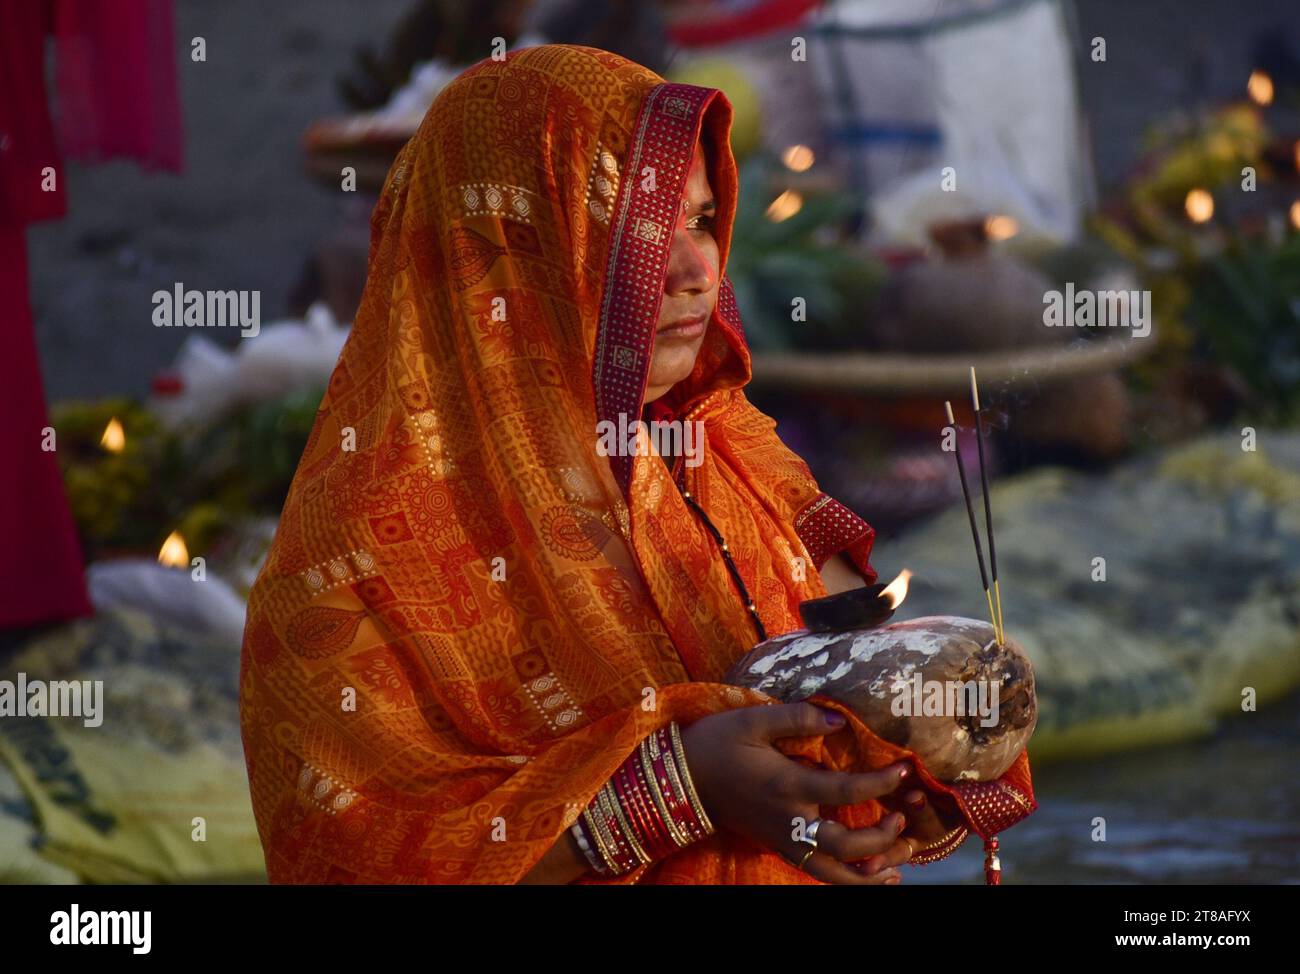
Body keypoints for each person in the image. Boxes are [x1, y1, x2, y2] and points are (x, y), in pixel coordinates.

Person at [239, 43, 971, 885]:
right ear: (508, 258)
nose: (697, 272)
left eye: (700, 221)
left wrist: (903, 785)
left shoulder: (732, 468)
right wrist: (681, 787)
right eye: (635, 234)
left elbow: (854, 715)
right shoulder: (350, 566)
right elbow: (357, 858)